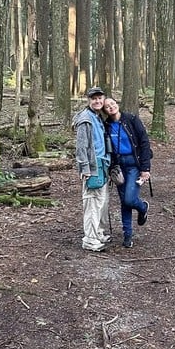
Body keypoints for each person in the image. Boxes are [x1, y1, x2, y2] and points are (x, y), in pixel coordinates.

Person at [102, 96, 152, 249]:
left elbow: (144, 142)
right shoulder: (106, 126)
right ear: (105, 111)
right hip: (119, 167)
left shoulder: (131, 119)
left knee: (130, 199)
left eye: (112, 104)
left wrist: (145, 169)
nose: (111, 107)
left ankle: (143, 207)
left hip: (134, 165)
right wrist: (111, 169)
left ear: (117, 104)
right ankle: (127, 234)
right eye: (107, 106)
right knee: (124, 201)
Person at [72, 87, 111, 252]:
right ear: (89, 100)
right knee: (92, 203)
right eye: (94, 99)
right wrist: (85, 168)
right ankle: (89, 239)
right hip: (92, 168)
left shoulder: (98, 117)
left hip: (102, 164)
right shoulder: (85, 118)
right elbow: (81, 146)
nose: (97, 101)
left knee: (102, 202)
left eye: (99, 98)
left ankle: (98, 233)